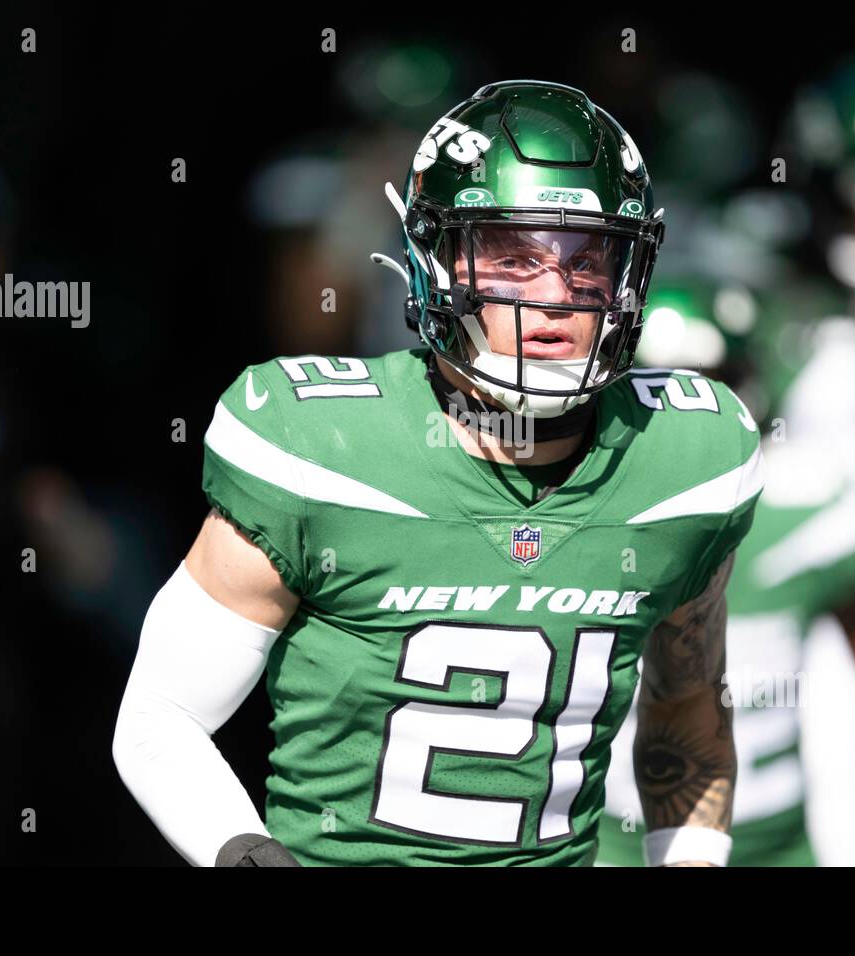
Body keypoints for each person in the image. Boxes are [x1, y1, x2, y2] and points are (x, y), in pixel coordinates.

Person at [113, 80, 763, 866]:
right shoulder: (322, 447)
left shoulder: (684, 459)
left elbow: (688, 707)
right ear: (437, 263)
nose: (555, 296)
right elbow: (160, 716)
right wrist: (245, 851)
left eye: (589, 260)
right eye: (516, 259)